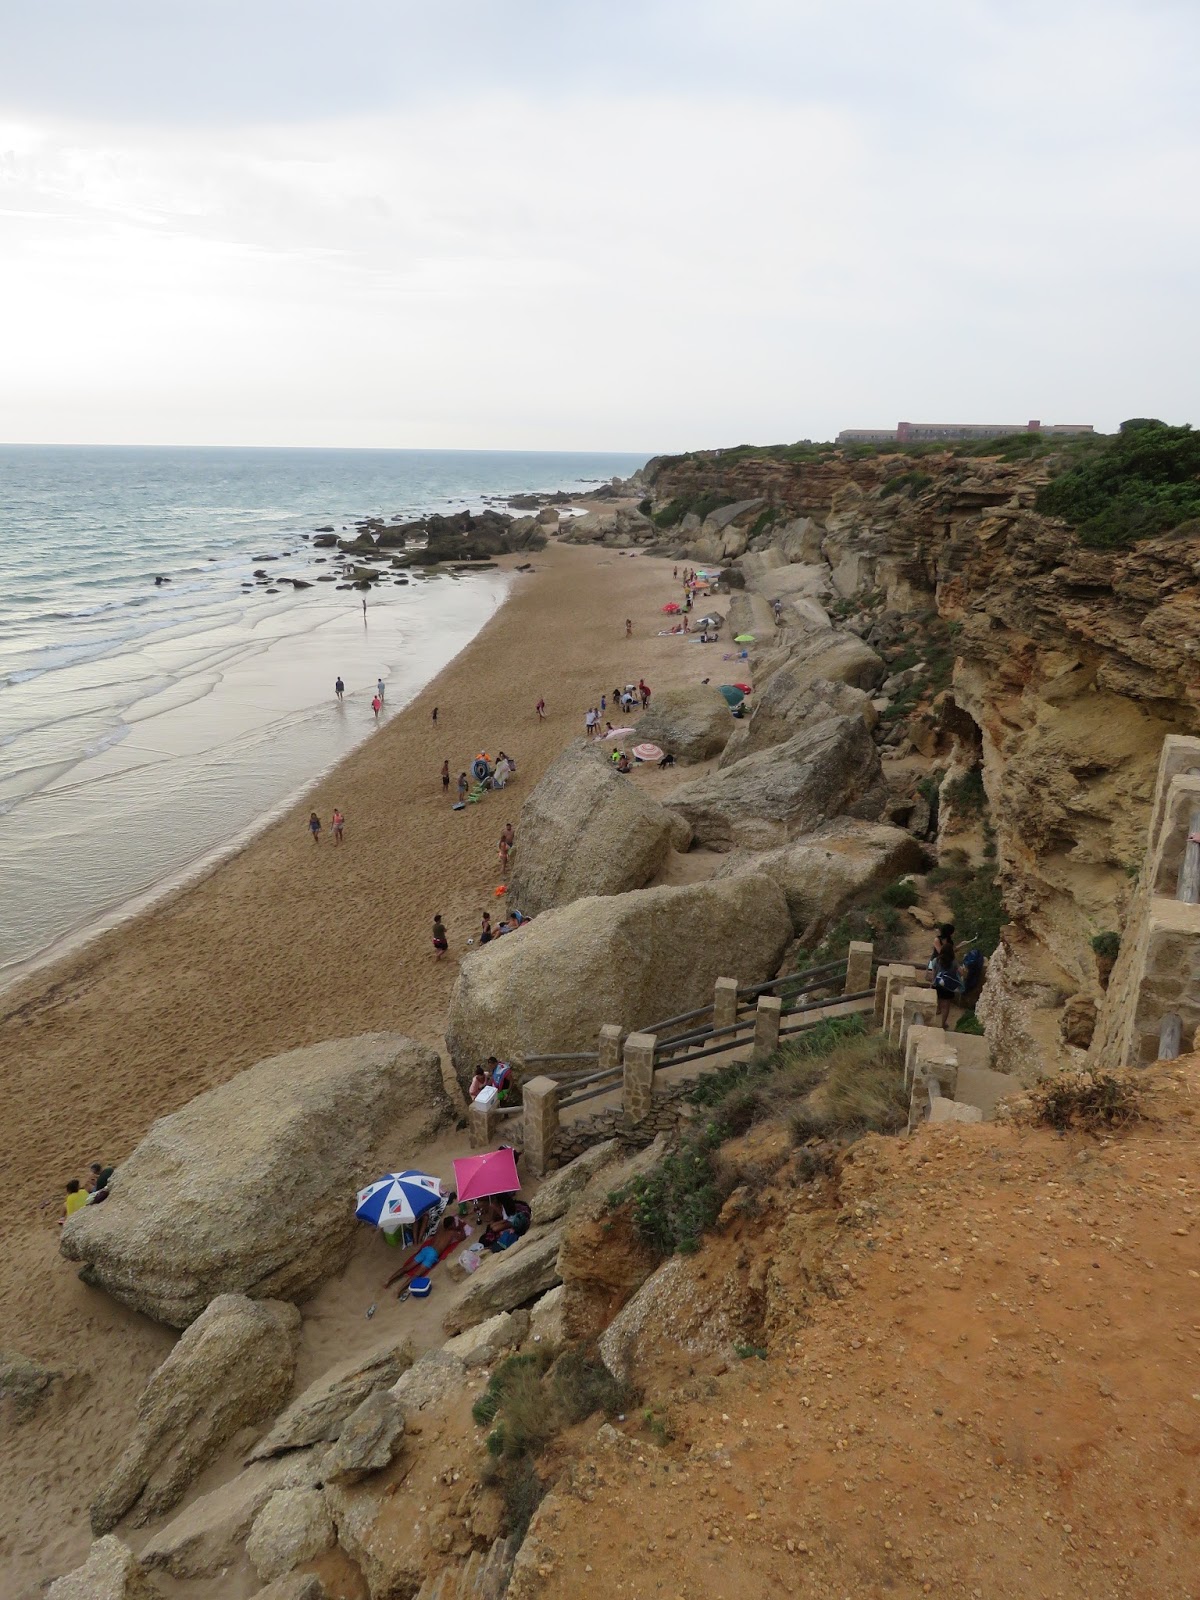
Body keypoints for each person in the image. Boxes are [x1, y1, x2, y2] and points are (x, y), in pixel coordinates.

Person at [933, 946, 963, 1030]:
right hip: (948, 986)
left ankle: (937, 1010)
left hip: (938, 984)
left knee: (938, 999)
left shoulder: (936, 960)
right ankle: (943, 1024)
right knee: (946, 1006)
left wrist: (933, 983)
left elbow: (934, 974)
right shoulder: (953, 962)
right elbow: (961, 973)